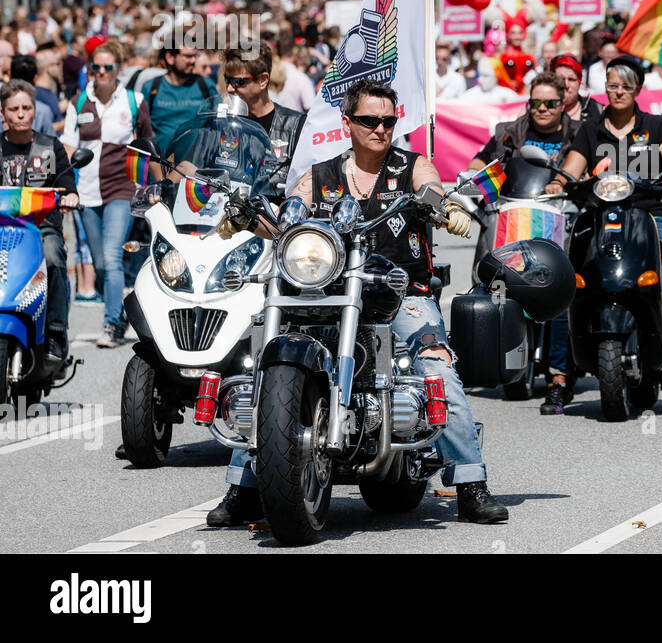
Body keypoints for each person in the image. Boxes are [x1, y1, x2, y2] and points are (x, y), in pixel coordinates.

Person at [207, 79, 508, 527]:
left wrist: (447, 208)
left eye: (388, 120)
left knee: (437, 364)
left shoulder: (412, 166)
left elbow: (431, 189)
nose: (381, 128)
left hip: (402, 294)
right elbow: (289, 222)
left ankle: (470, 483)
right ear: (347, 123)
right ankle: (245, 485)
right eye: (370, 120)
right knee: (259, 365)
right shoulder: (321, 175)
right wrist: (248, 219)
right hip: (326, 293)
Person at [550, 56, 662, 378]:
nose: (618, 92)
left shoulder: (655, 125)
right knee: (572, 288)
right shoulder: (590, 130)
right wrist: (557, 183)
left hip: (651, 219)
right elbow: (572, 169)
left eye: (626, 86)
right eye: (612, 85)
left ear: (638, 89)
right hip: (600, 222)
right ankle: (560, 373)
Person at [471, 72, 579, 414]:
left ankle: (558, 377)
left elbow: (588, 169)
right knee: (496, 286)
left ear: (563, 104)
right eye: (536, 103)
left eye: (550, 103)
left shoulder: (577, 134)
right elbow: (482, 162)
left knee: (561, 295)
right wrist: (469, 177)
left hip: (559, 219)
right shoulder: (510, 132)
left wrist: (571, 184)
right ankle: (496, 359)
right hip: (514, 217)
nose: (542, 109)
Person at [61, 40, 154, 348]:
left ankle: (111, 324)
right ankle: (120, 310)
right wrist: (67, 179)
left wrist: (147, 186)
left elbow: (146, 143)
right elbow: (68, 145)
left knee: (113, 258)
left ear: (118, 68)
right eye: (95, 67)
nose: (101, 72)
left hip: (121, 187)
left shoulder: (133, 100)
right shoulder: (79, 102)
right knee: (100, 264)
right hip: (87, 190)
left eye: (107, 67)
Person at [1, 80, 78, 371]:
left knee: (55, 255)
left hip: (40, 227)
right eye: (13, 109)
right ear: (2, 113)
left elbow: (66, 180)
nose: (21, 114)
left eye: (26, 108)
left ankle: (56, 330)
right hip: (2, 230)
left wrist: (70, 194)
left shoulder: (50, 146)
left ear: (35, 110)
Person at [220, 44, 306, 195]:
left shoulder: (296, 126)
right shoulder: (224, 124)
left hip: (275, 215)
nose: (229, 88)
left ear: (263, 80)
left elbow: (307, 182)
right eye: (227, 80)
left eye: (238, 82)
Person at [142, 40, 213, 156]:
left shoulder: (206, 85)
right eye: (188, 56)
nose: (194, 61)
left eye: (195, 56)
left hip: (195, 165)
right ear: (170, 57)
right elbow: (141, 129)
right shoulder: (151, 87)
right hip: (159, 166)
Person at [550, 53, 603, 123]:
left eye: (571, 79)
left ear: (579, 82)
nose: (566, 85)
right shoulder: (542, 107)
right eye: (561, 79)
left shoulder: (595, 109)